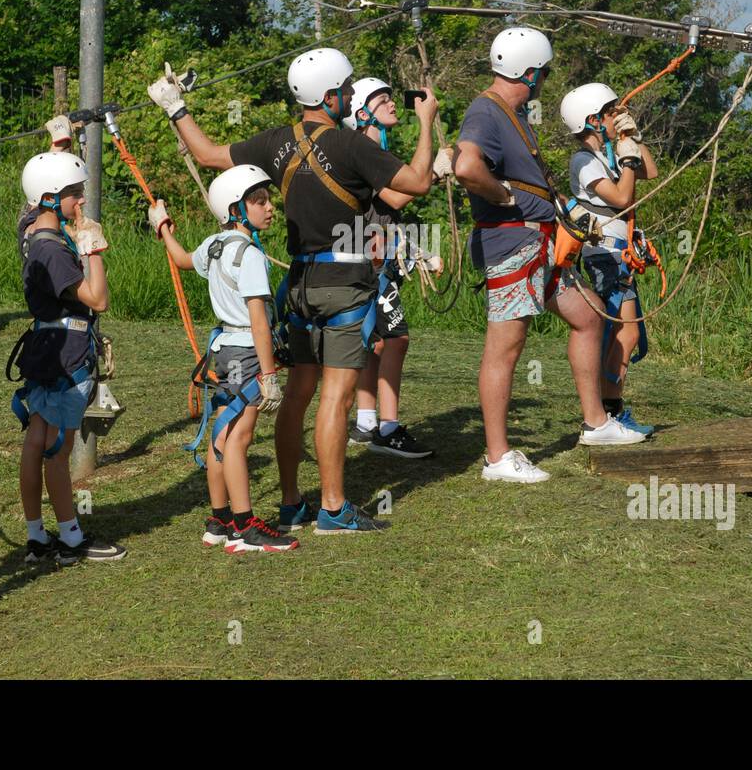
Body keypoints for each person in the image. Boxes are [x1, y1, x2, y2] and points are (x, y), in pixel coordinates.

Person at [147, 50, 439, 533]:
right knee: (337, 396)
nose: (349, 97)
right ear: (328, 97)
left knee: (301, 391)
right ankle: (331, 506)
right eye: (345, 90)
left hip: (299, 283)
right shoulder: (351, 146)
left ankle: (291, 503)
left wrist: (177, 108)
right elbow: (419, 182)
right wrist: (426, 123)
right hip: (345, 284)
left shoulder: (277, 143)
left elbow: (207, 155)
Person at [453, 27, 618, 483]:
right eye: (542, 74)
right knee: (504, 348)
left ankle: (596, 423)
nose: (543, 81)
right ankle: (498, 458)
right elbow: (466, 166)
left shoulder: (510, 112)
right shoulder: (486, 112)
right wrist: (502, 197)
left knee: (589, 313)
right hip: (513, 244)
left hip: (537, 244)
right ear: (529, 72)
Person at [148, 167, 292, 552]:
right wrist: (268, 374)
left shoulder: (214, 245)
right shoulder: (249, 256)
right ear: (236, 209)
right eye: (259, 201)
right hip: (247, 351)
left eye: (268, 199)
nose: (269, 207)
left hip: (223, 349)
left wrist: (162, 226)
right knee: (239, 438)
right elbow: (260, 320)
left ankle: (219, 518)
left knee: (222, 431)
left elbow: (179, 259)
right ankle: (246, 526)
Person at [12, 152, 127, 565]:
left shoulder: (31, 233)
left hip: (43, 350)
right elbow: (98, 299)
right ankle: (71, 538)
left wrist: (59, 146)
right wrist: (91, 247)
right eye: (75, 194)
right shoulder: (56, 251)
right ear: (48, 198)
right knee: (57, 450)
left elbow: (33, 200)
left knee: (36, 443)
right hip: (67, 352)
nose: (82, 202)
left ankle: (35, 535)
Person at [342, 77, 440, 460]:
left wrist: (417, 251)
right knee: (396, 340)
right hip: (370, 266)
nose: (393, 104)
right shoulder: (365, 149)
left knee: (377, 343)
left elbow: (385, 213)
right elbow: (400, 194)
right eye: (384, 100)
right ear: (364, 113)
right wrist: (427, 126)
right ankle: (388, 429)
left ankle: (367, 423)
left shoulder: (370, 147)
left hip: (372, 259)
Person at [562, 82, 660, 440]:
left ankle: (610, 408)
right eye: (611, 112)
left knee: (625, 333)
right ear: (592, 120)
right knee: (622, 332)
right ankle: (608, 411)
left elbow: (649, 172)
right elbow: (621, 197)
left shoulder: (605, 153)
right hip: (604, 254)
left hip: (618, 252)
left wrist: (632, 140)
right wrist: (627, 156)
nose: (617, 116)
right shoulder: (585, 161)